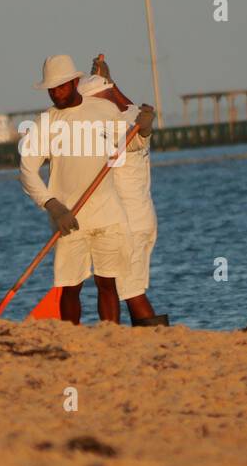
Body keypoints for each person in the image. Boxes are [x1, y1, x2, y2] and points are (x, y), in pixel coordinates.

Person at [19, 54, 153, 324]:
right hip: (69, 217)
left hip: (108, 213)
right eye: (51, 89)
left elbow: (131, 144)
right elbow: (26, 170)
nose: (56, 93)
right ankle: (72, 337)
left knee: (108, 282)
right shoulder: (45, 123)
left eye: (62, 86)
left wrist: (144, 130)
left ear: (75, 82)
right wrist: (53, 206)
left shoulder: (103, 111)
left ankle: (110, 336)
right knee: (70, 286)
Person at [81, 54, 168, 326]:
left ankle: (154, 339)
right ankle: (137, 340)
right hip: (140, 218)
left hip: (129, 223)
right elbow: (126, 104)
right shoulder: (129, 114)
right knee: (122, 286)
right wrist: (109, 80)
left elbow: (138, 139)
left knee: (129, 290)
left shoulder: (116, 128)